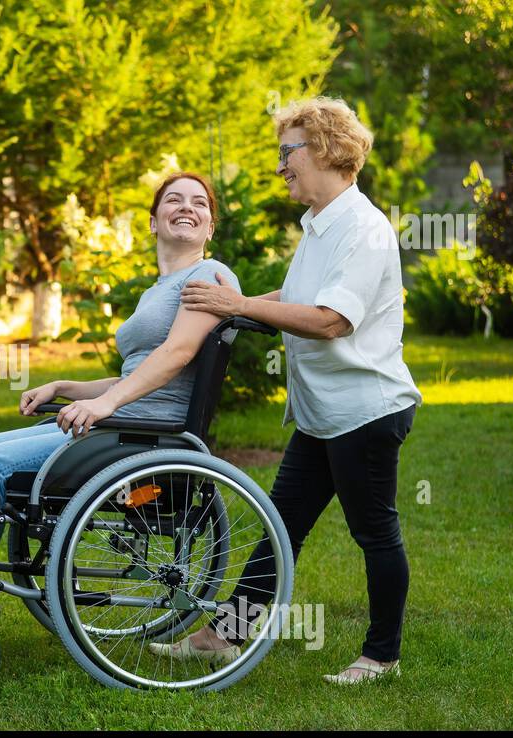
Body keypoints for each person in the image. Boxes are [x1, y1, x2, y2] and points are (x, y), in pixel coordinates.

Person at [0, 171, 242, 638]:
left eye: (199, 203)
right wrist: (63, 385)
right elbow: (135, 372)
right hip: (122, 418)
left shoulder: (209, 275)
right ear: (152, 221)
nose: (187, 207)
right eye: (173, 200)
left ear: (210, 227)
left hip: (143, 434)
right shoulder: (158, 289)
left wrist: (104, 406)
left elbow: (177, 355)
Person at [164, 96, 423, 684]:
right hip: (321, 413)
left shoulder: (364, 229)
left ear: (326, 150)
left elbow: (331, 319)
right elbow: (295, 300)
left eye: (288, 152)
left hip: (364, 410)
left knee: (374, 532)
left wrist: (237, 304)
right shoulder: (318, 225)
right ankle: (222, 635)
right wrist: (235, 307)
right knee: (282, 523)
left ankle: (380, 657)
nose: (281, 165)